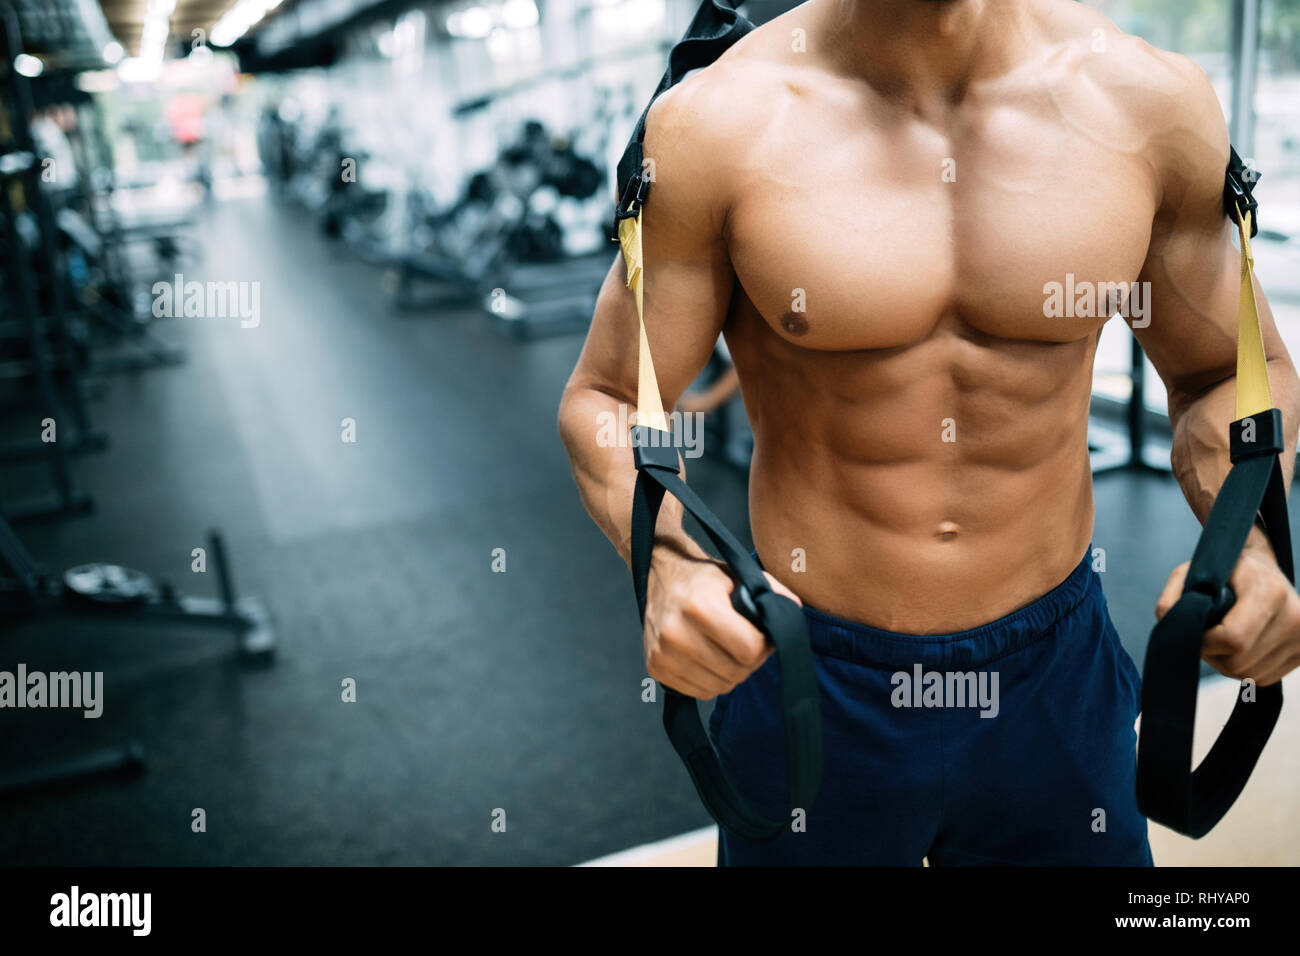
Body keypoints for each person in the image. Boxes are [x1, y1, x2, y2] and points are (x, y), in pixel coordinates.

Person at [557, 0, 1300, 865]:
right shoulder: (718, 122)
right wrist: (674, 564)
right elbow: (608, 397)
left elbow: (1227, 376)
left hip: (1055, 677)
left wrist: (1248, 545)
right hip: (814, 676)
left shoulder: (1145, 101)